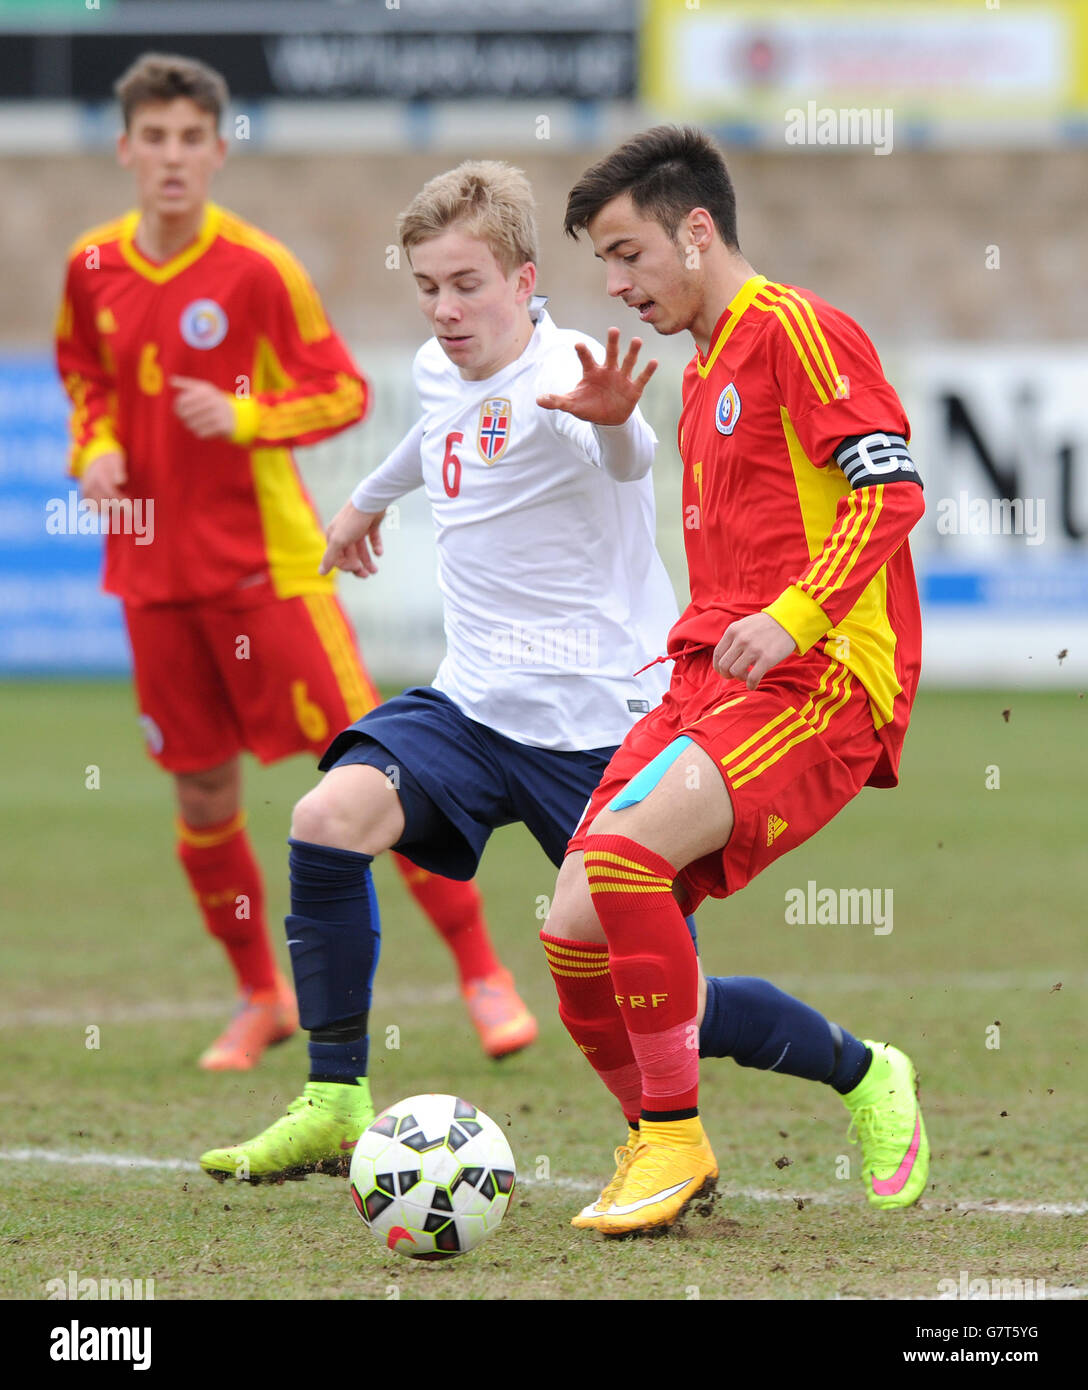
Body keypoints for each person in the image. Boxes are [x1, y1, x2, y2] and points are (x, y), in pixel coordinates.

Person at [199, 160, 924, 1195]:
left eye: (465, 285)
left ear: (524, 280)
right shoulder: (463, 366)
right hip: (473, 704)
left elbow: (627, 456)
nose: (445, 309)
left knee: (643, 970)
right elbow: (433, 425)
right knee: (326, 820)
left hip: (595, 715)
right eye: (427, 287)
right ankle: (334, 1101)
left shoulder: (588, 366)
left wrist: (614, 427)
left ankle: (816, 1080)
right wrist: (364, 500)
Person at [54, 53, 532, 1072]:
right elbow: (85, 376)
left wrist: (247, 416)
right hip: (149, 577)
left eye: (193, 137)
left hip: (268, 575)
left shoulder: (257, 268)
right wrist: (90, 444)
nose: (174, 156)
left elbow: (343, 394)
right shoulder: (90, 263)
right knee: (200, 797)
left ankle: (480, 972)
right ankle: (257, 995)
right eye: (156, 137)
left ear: (219, 150)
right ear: (125, 148)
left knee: (381, 771)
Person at [539, 124, 930, 1235]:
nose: (614, 285)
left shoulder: (797, 329)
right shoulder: (701, 364)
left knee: (620, 861)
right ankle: (783, 1098)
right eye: (601, 264)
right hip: (708, 677)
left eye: (627, 254)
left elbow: (887, 492)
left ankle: (672, 1138)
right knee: (575, 927)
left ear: (695, 229)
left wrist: (795, 612)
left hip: (819, 676)